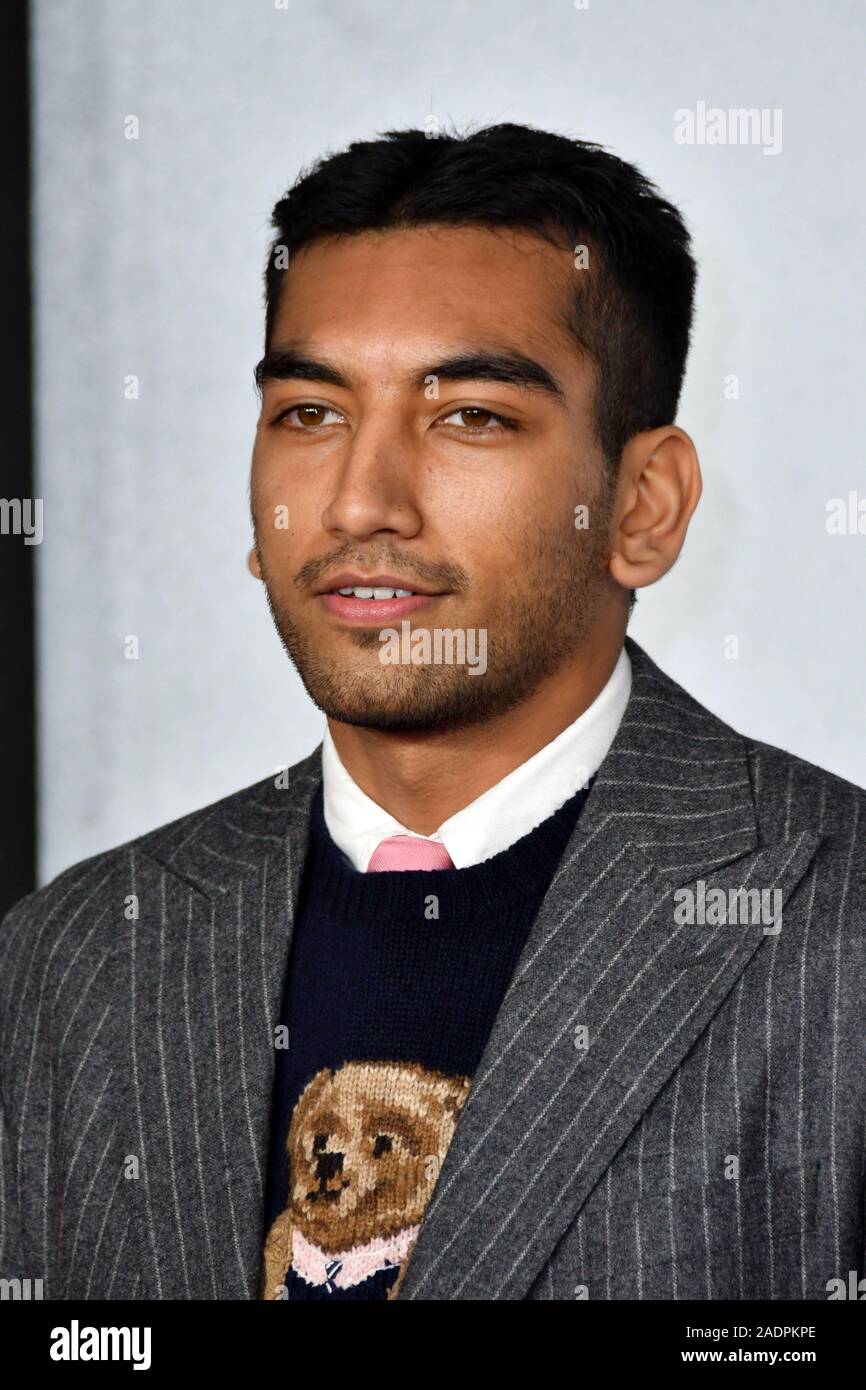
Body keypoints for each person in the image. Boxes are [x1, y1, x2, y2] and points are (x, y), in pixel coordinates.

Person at [1, 123, 863, 1302]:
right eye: (309, 412)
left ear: (643, 506)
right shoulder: (77, 957)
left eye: (470, 417)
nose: (362, 498)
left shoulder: (838, 931)